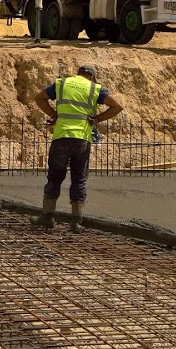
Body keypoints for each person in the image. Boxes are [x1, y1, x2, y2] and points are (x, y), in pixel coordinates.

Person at [33, 63, 123, 232]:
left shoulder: (62, 84)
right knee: (79, 179)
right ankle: (76, 222)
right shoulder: (95, 88)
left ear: (78, 73)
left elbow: (39, 98)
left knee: (54, 177)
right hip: (82, 140)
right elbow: (117, 106)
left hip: (61, 136)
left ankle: (47, 217)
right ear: (92, 77)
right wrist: (97, 119)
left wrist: (54, 114)